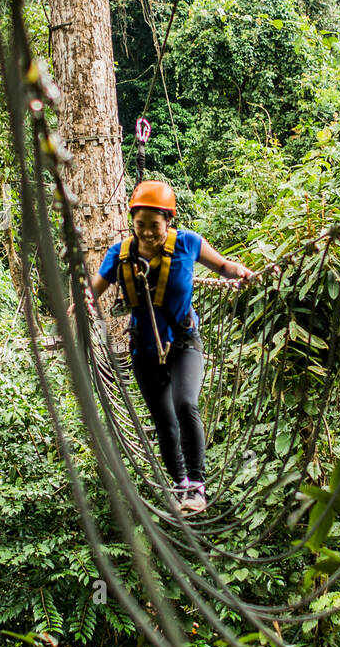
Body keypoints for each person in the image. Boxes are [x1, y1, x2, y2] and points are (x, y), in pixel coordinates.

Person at [86, 180, 252, 514]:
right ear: (132, 222)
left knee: (185, 404)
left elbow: (222, 266)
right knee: (164, 421)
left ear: (169, 221)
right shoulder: (119, 255)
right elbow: (94, 288)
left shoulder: (188, 243)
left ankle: (197, 485)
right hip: (143, 351)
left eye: (154, 225)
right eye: (140, 225)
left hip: (183, 343)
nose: (146, 232)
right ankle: (182, 488)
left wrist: (242, 273)